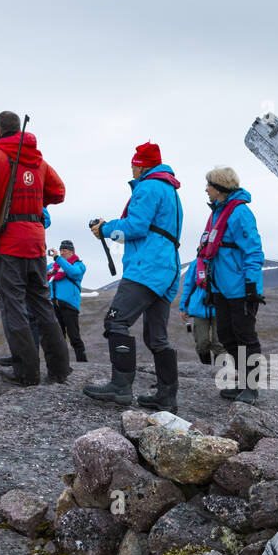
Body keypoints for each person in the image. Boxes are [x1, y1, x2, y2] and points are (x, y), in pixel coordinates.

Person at [0, 110, 70, 386]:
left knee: (13, 306)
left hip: (9, 242)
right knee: (42, 304)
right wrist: (33, 204)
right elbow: (58, 192)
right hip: (36, 242)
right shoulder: (38, 160)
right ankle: (60, 369)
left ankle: (27, 372)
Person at [83, 142, 183, 409]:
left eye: (133, 164)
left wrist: (106, 228)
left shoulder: (149, 187)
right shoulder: (170, 190)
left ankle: (120, 387)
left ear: (140, 165)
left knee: (116, 321)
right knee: (157, 337)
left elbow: (135, 227)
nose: (132, 169)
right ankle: (166, 396)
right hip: (166, 268)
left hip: (146, 268)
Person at [198, 166, 265, 403]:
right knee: (227, 336)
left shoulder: (240, 213)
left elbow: (253, 251)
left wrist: (251, 284)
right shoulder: (218, 212)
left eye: (209, 185)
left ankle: (251, 388)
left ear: (220, 188)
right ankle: (243, 382)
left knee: (245, 336)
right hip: (220, 288)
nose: (206, 190)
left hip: (240, 287)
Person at [0, 206, 53, 368]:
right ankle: (21, 354)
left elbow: (45, 220)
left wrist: (10, 229)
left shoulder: (20, 189)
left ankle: (31, 358)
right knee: (11, 310)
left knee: (29, 311)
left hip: (23, 255)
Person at [178, 246, 224, 365]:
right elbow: (188, 285)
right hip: (199, 309)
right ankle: (206, 369)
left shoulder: (222, 262)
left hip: (220, 308)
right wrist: (184, 307)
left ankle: (219, 371)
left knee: (219, 343)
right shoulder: (195, 265)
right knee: (201, 342)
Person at [51, 239, 88, 362]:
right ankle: (61, 363)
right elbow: (44, 275)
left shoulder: (79, 265)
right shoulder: (53, 266)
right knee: (57, 337)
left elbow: (73, 272)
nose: (62, 253)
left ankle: (82, 362)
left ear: (72, 252)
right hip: (54, 304)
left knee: (74, 337)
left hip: (70, 305)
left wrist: (58, 259)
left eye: (65, 251)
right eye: (61, 250)